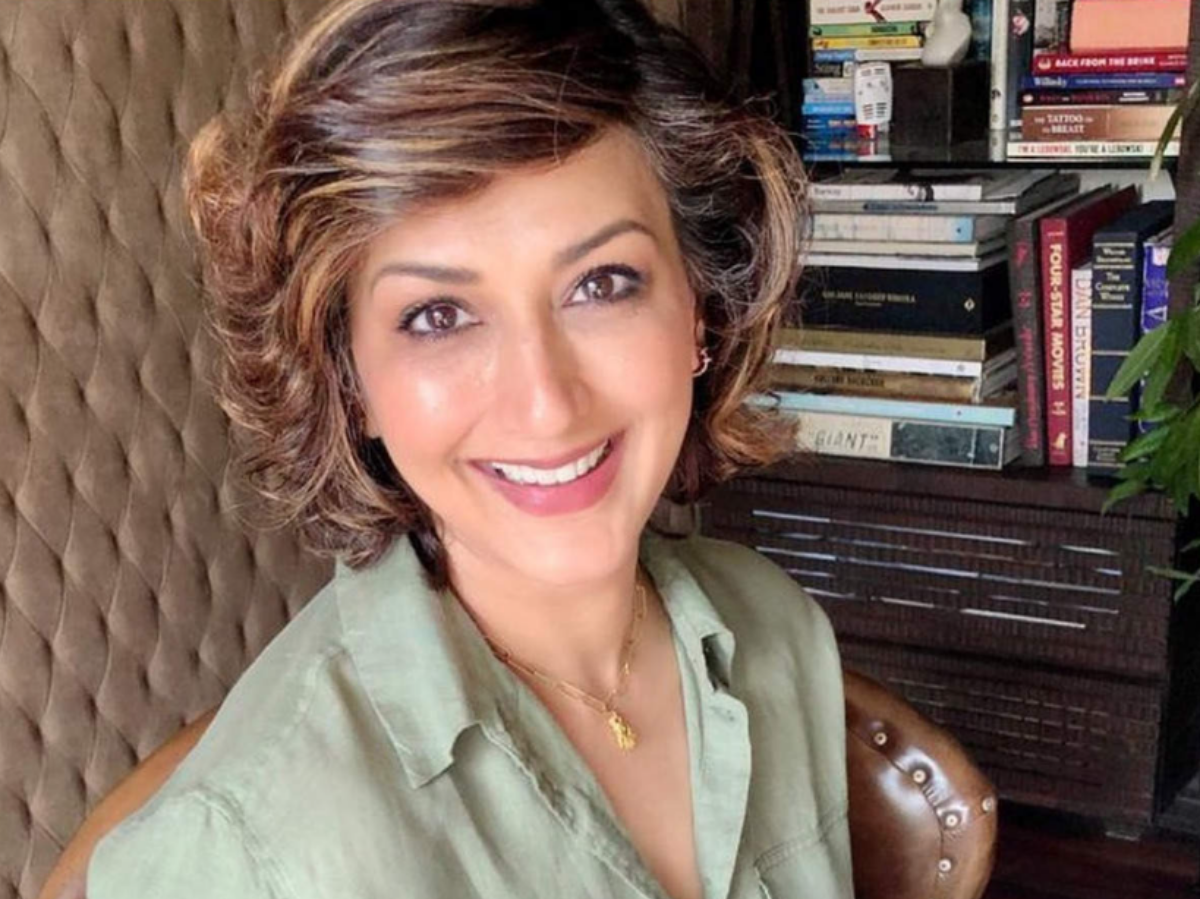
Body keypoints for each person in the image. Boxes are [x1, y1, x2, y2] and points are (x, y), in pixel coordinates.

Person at [85, 1, 852, 897]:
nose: (544, 402)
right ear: (350, 382)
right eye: (439, 316)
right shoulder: (241, 853)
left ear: (699, 314)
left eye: (602, 284)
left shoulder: (781, 633)